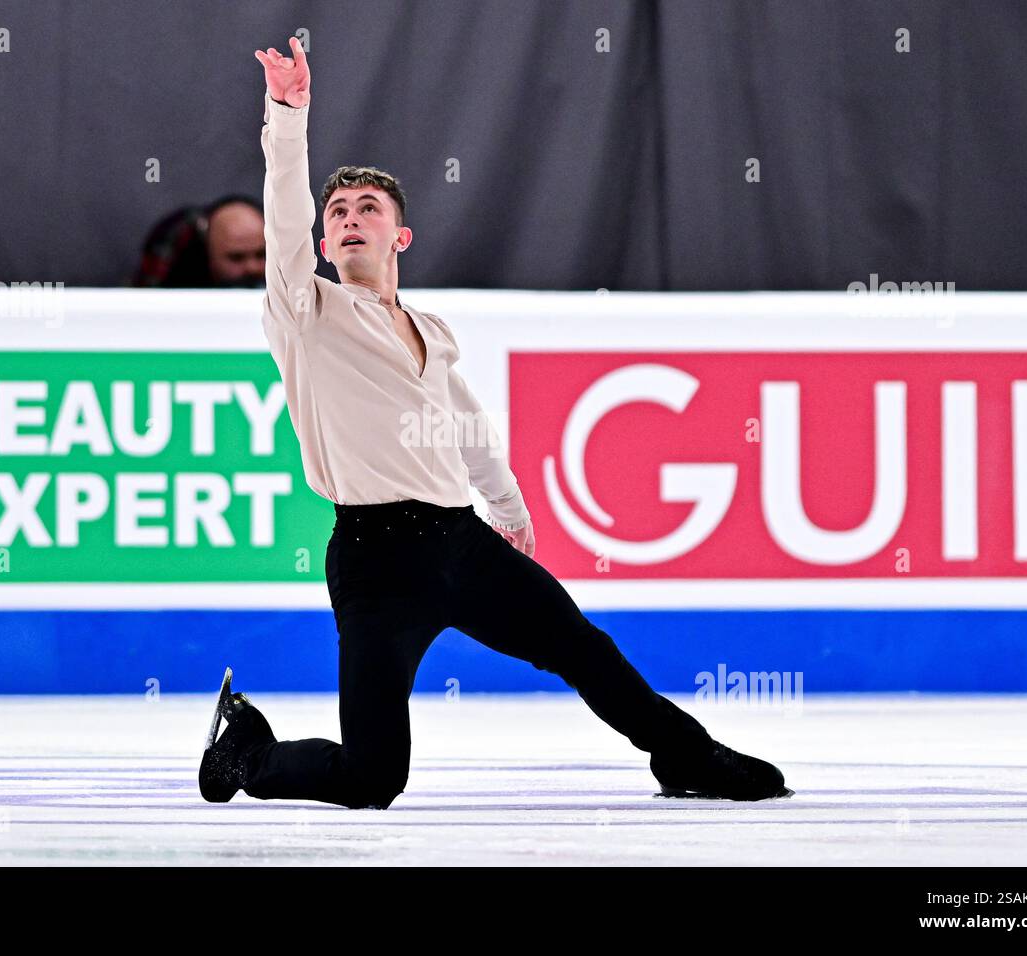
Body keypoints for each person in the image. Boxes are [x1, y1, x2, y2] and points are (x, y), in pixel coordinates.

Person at [198, 36, 792, 809]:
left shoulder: (431, 331)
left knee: (584, 648)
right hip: (377, 563)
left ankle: (686, 755)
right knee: (375, 779)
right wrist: (289, 113)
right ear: (321, 240)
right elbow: (284, 209)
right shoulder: (305, 312)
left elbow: (469, 429)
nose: (348, 219)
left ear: (398, 237)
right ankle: (251, 753)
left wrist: (508, 509)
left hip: (461, 543)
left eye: (367, 209)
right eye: (337, 211)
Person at [131, 194, 266, 287]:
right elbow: (144, 305)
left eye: (262, 255)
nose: (252, 267)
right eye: (236, 258)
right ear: (208, 252)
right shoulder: (174, 242)